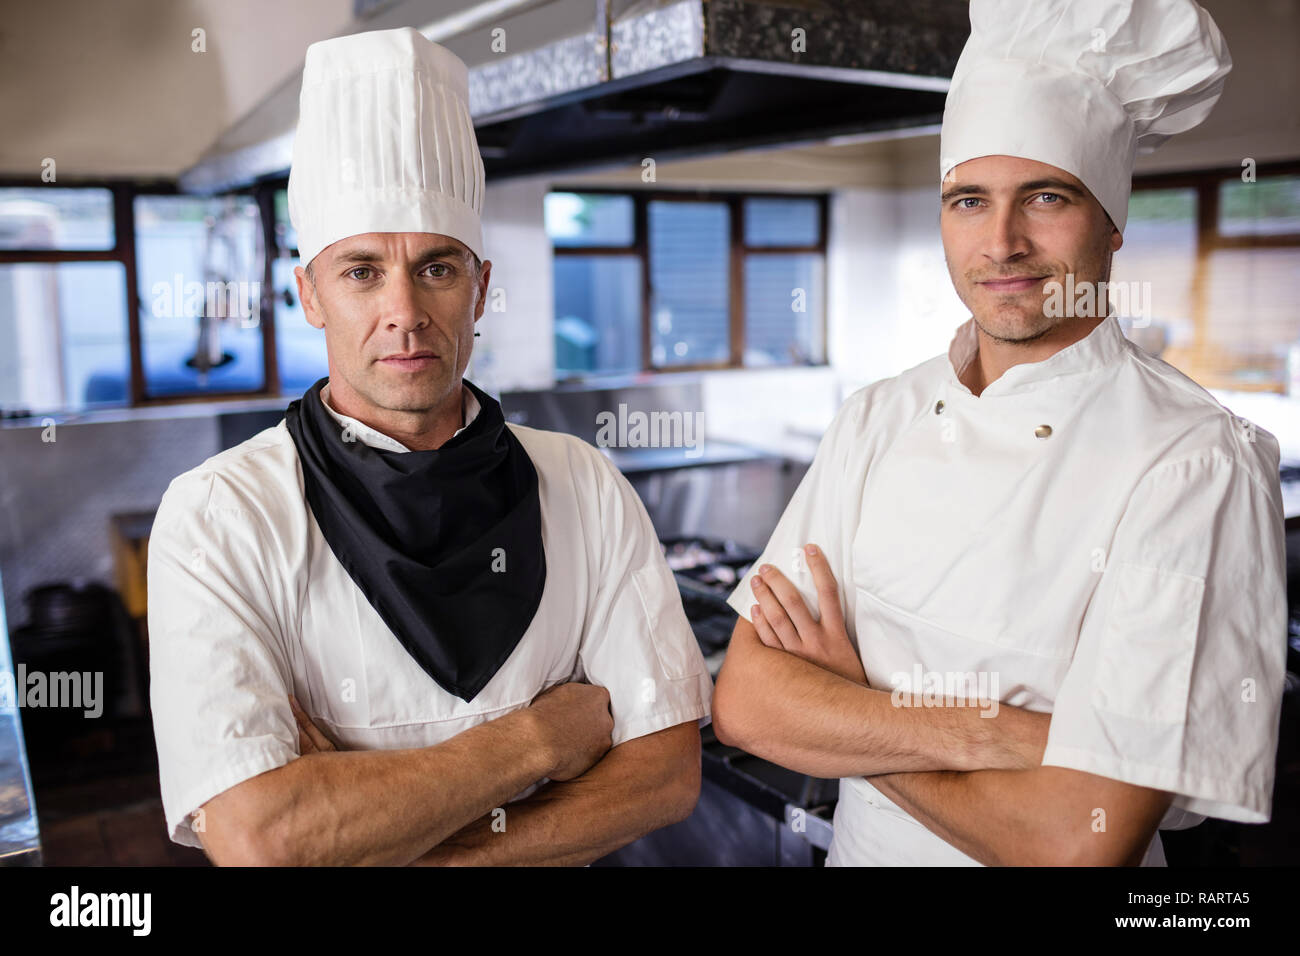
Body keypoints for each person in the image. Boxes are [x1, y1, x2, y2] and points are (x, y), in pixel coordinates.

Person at [713, 0, 1287, 866]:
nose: (1002, 241)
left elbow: (1075, 842)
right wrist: (1000, 733)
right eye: (969, 200)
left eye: (1046, 198)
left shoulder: (1194, 460)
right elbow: (748, 703)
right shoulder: (877, 417)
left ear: (1113, 223)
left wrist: (855, 702)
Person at [147, 27, 713, 866]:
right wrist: (536, 743)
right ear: (308, 293)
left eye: (438, 268)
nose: (404, 311)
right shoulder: (221, 514)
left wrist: (371, 830)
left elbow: (665, 773)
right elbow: (261, 836)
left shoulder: (581, 483)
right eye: (362, 271)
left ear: (481, 288)